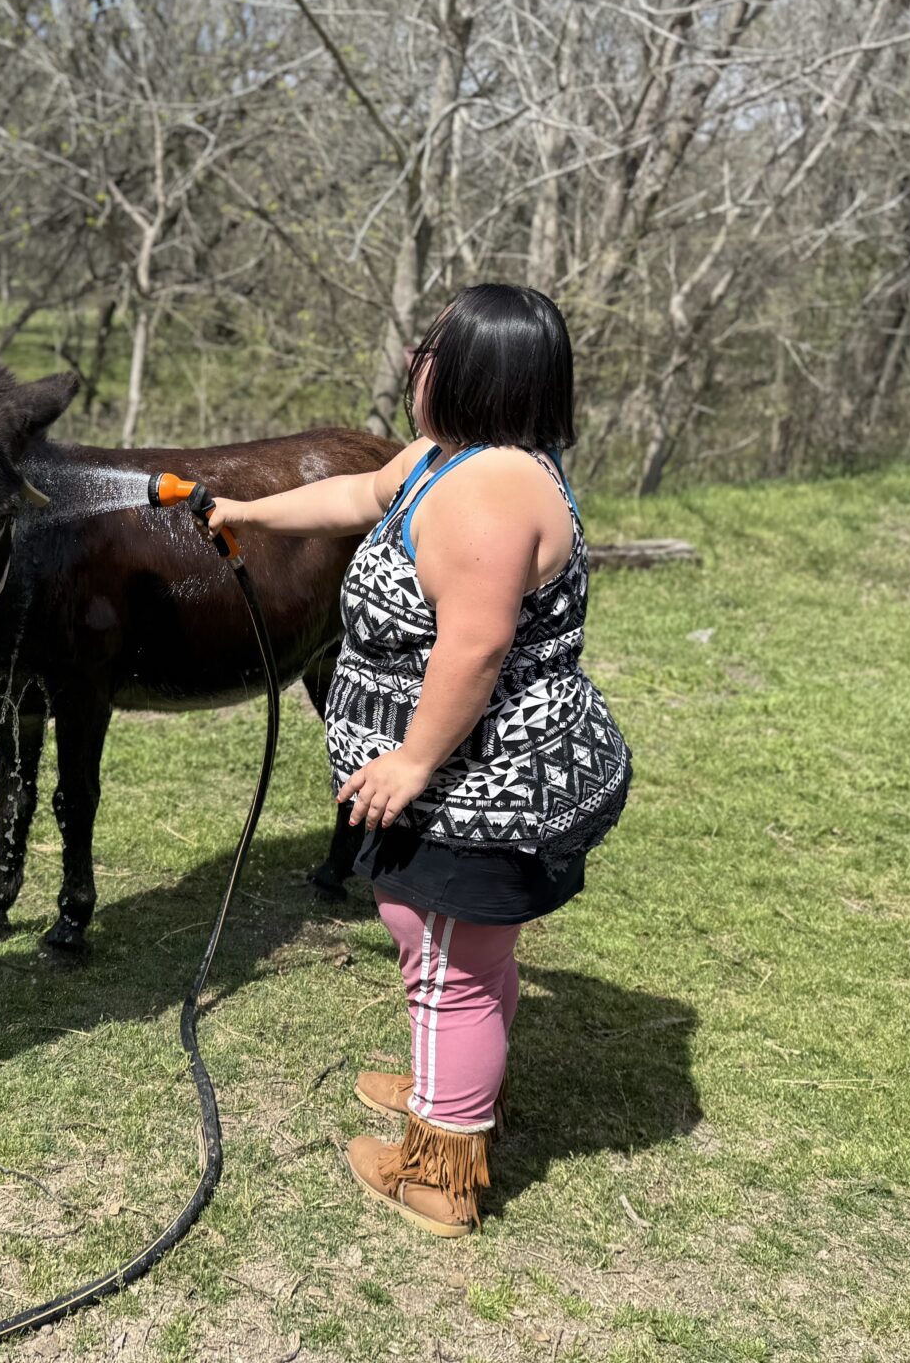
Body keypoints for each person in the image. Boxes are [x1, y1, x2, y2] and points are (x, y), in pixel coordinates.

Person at [207, 283, 631, 1235]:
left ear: (475, 371)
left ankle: (441, 1172)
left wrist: (411, 761)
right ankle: (454, 1085)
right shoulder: (447, 460)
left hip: (478, 780)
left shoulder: (490, 493)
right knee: (461, 955)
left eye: (428, 350)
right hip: (465, 770)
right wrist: (250, 511)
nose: (413, 363)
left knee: (447, 961)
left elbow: (473, 649)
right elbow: (357, 495)